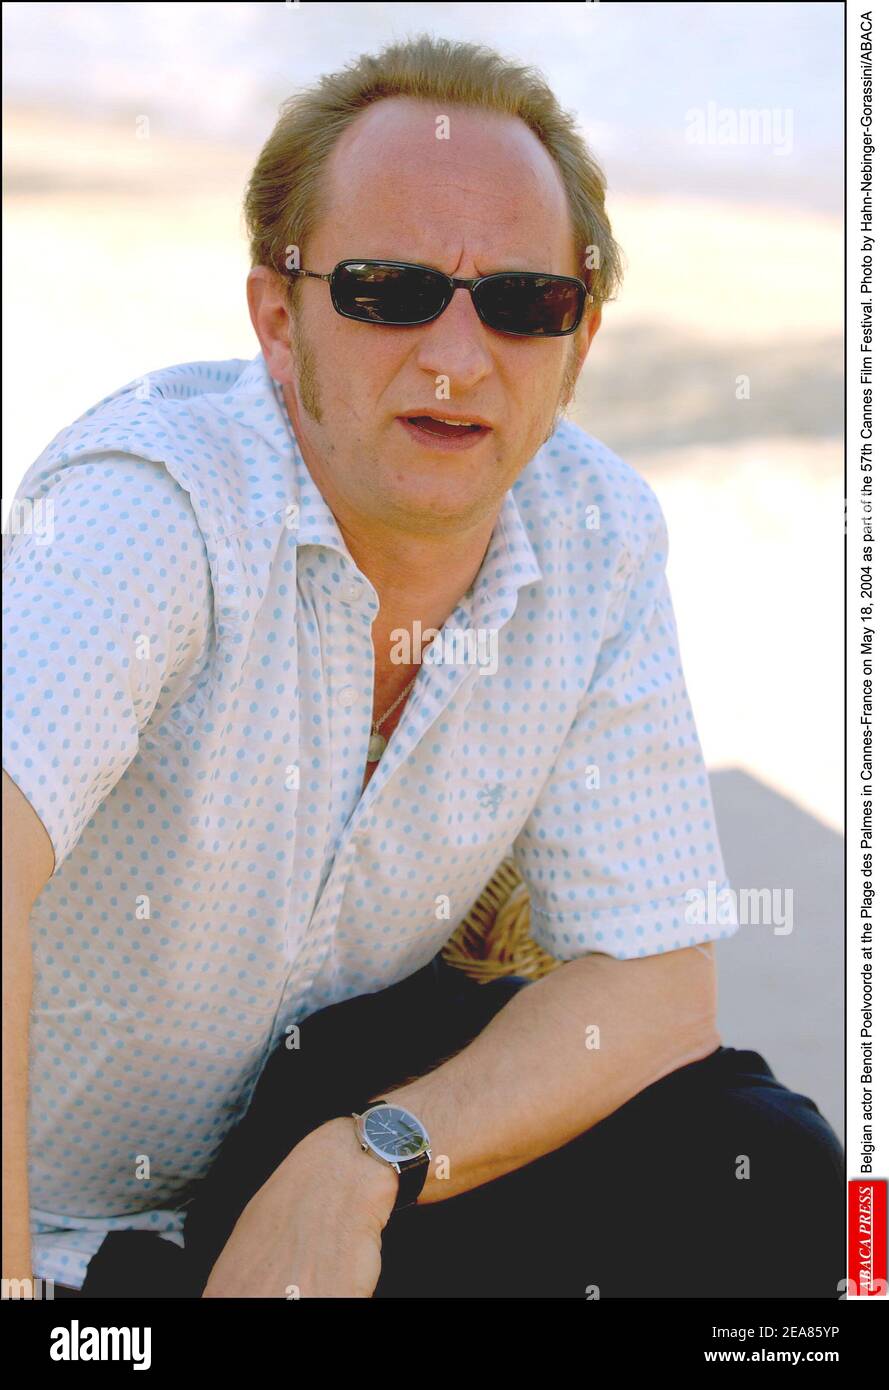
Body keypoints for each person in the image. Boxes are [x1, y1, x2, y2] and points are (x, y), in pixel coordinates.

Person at [2, 35, 843, 1299]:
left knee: (767, 1168)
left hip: (304, 1146)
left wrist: (375, 1154)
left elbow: (655, 984)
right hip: (55, 1220)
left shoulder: (594, 534)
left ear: (578, 342)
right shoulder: (155, 504)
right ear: (277, 319)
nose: (457, 357)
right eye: (388, 292)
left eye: (521, 303)